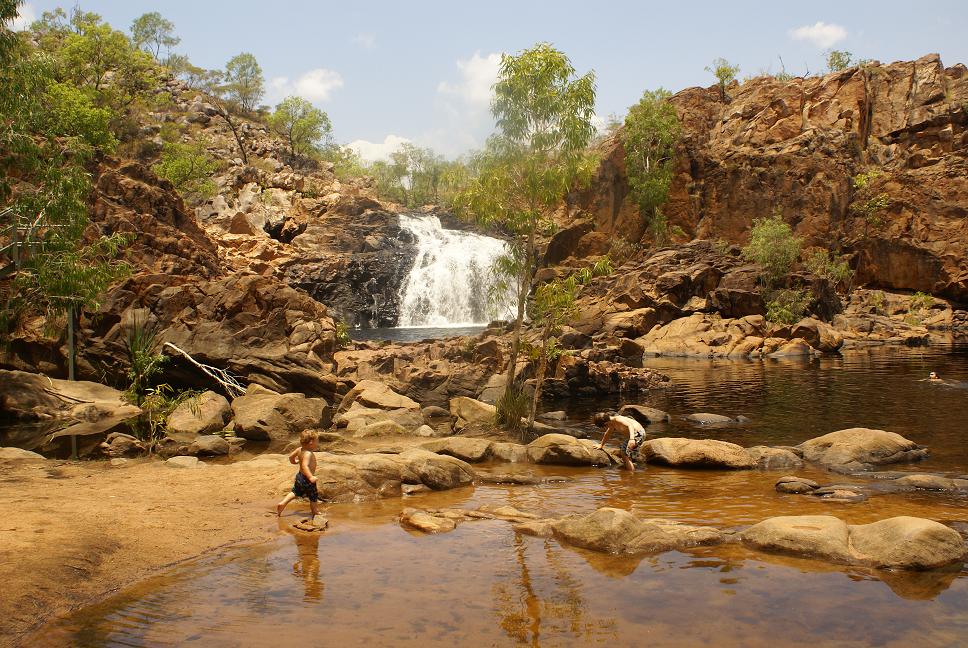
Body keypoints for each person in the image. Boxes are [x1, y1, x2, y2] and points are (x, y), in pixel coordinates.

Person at [277, 429, 320, 517]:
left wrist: (294, 461)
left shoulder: (299, 449)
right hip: (307, 478)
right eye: (317, 441)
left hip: (300, 476)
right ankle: (315, 511)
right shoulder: (308, 453)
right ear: (311, 442)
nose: (318, 443)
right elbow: (305, 466)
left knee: (295, 492)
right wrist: (311, 477)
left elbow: (290, 457)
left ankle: (283, 503)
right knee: (313, 495)